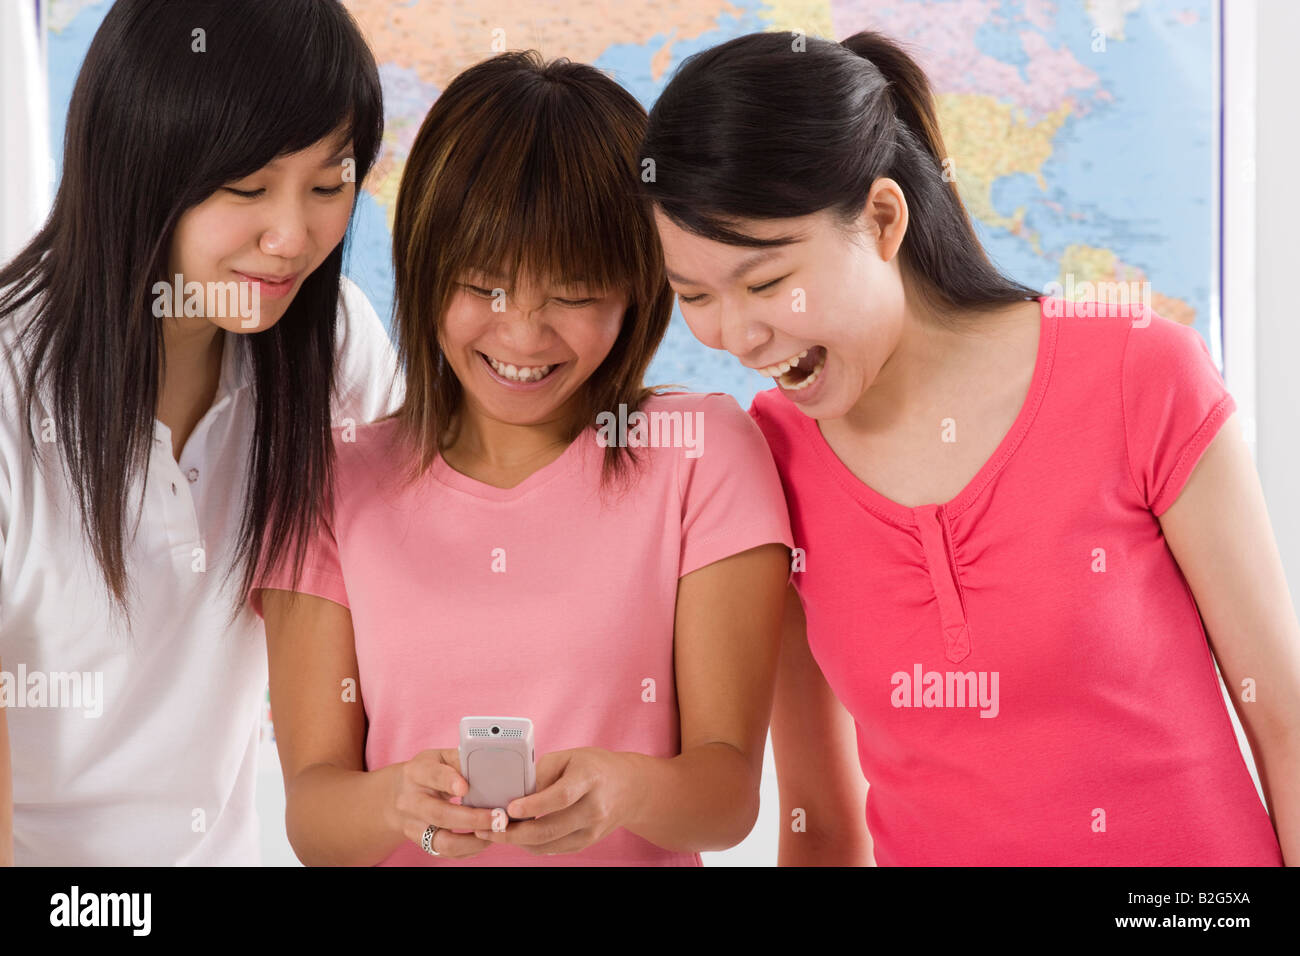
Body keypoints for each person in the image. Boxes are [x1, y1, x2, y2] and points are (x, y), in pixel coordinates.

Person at [640, 29, 1298, 865]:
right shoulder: (772, 453)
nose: (736, 332)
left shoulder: (1140, 373)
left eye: (767, 282)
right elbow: (817, 819)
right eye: (693, 294)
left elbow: (1283, 718)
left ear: (882, 219)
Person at [251, 50, 794, 866]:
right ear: (426, 268)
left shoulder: (702, 457)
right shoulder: (331, 482)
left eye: (574, 295)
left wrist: (624, 791)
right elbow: (313, 818)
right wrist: (393, 804)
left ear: (636, 291)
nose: (523, 336)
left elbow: (726, 798)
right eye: (484, 286)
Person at [0, 0, 401, 865]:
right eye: (248, 188)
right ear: (136, 167)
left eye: (329, 185)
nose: (293, 237)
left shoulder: (331, 347)